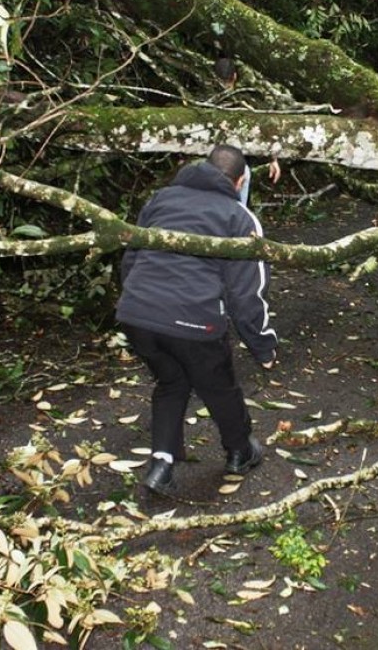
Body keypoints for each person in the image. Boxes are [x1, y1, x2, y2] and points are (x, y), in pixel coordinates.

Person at [117, 145, 278, 495]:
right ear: (239, 182)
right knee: (218, 386)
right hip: (193, 320)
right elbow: (247, 292)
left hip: (137, 314)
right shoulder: (239, 217)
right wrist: (263, 344)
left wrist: (135, 303)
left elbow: (132, 255)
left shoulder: (161, 198)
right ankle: (239, 451)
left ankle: (161, 464)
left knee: (171, 382)